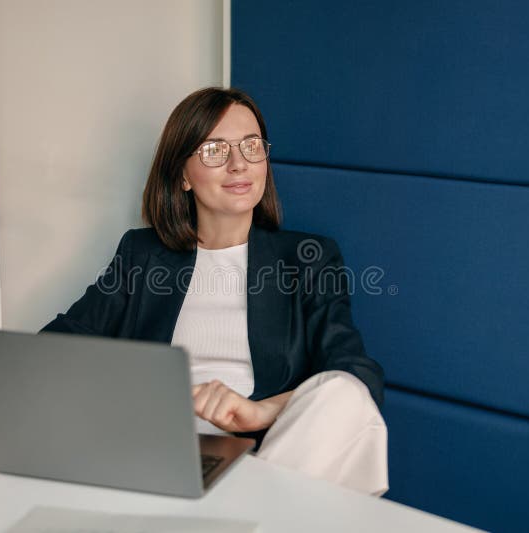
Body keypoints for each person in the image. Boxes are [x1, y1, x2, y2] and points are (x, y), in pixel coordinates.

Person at [42, 87, 388, 496]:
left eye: (251, 146)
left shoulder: (307, 257)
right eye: (214, 150)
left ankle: (250, 509)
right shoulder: (142, 254)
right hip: (157, 447)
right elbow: (56, 347)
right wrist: (154, 400)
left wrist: (259, 413)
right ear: (183, 174)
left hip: (265, 452)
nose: (239, 164)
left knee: (347, 398)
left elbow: (354, 372)